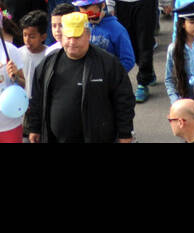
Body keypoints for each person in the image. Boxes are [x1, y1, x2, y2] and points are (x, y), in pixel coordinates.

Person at [24, 9, 136, 142]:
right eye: (68, 37)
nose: (72, 42)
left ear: (88, 35)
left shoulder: (108, 64)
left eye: (77, 37)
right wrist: (35, 128)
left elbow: (124, 100)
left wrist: (124, 133)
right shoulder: (48, 65)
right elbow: (37, 99)